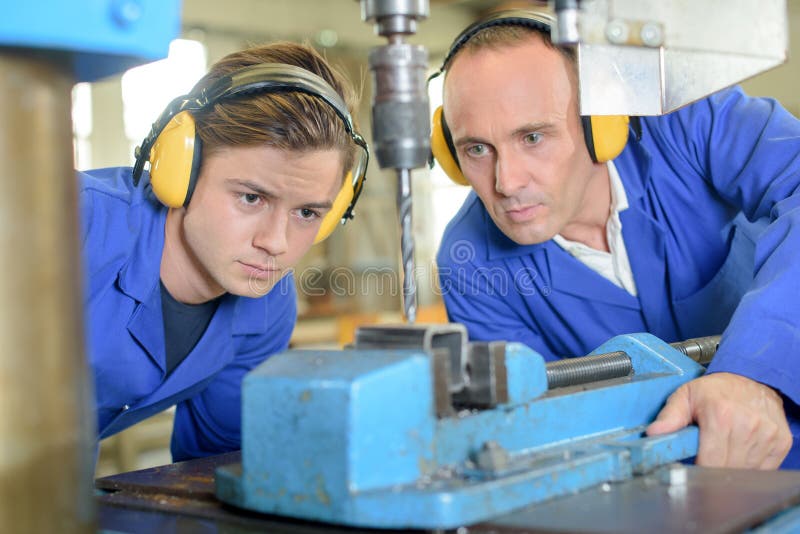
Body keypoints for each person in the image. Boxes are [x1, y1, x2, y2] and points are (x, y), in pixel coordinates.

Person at [432, 10, 800, 469]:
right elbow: (538, 439)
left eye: (532, 136)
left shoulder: (687, 122)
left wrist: (754, 373)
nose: (506, 182)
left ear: (601, 123)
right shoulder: (471, 264)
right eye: (477, 149)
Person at [80, 42, 368, 461]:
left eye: (307, 212)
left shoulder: (267, 306)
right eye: (252, 198)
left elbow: (212, 469)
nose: (276, 243)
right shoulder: (69, 225)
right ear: (180, 172)